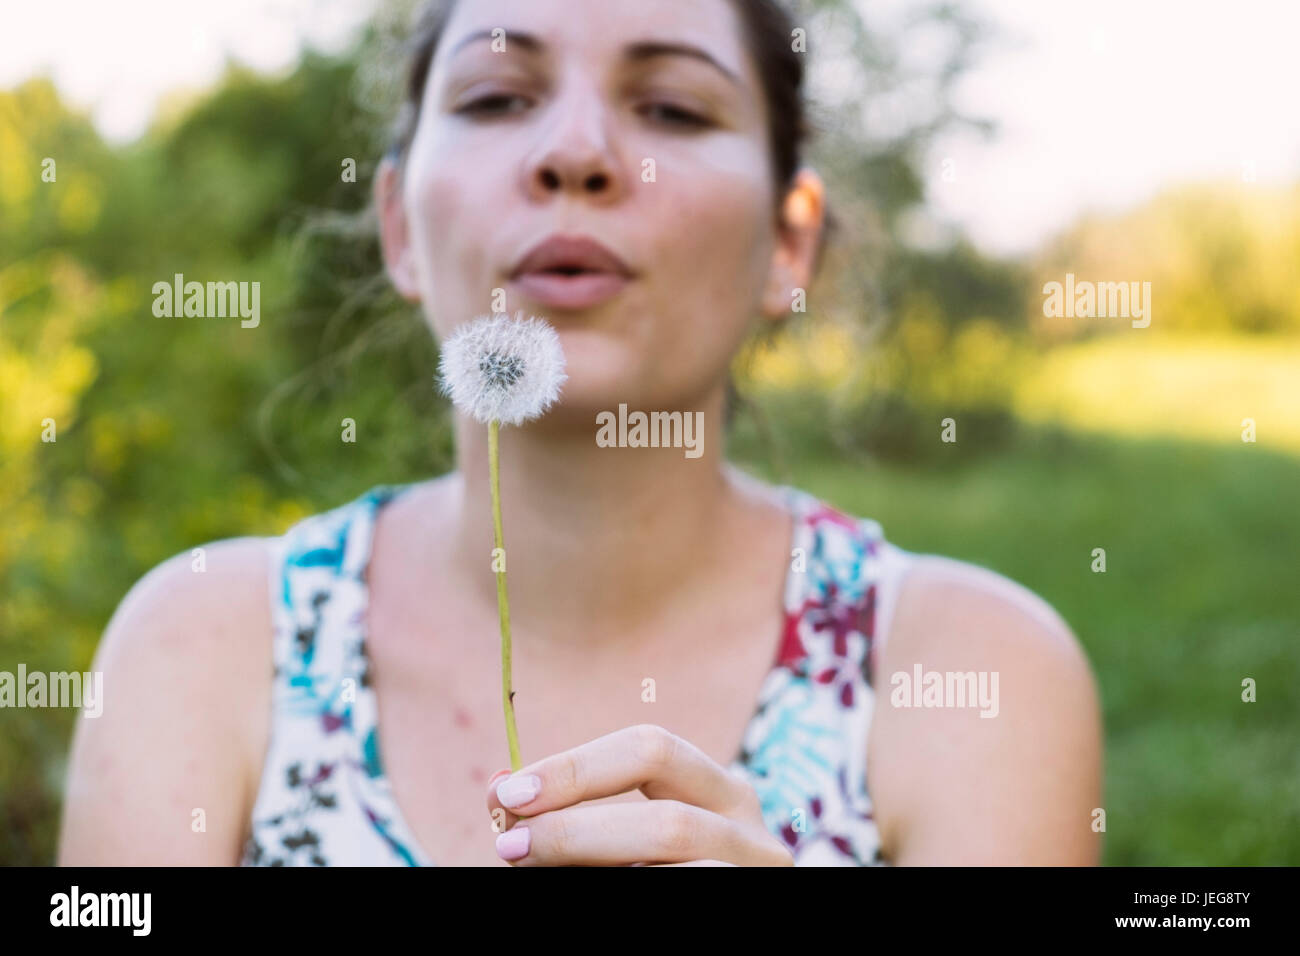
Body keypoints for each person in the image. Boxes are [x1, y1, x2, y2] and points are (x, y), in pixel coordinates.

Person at [58, 0, 1102, 867]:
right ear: (397, 226)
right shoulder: (196, 646)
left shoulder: (980, 675)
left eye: (672, 108)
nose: (574, 153)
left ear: (790, 241)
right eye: (497, 97)